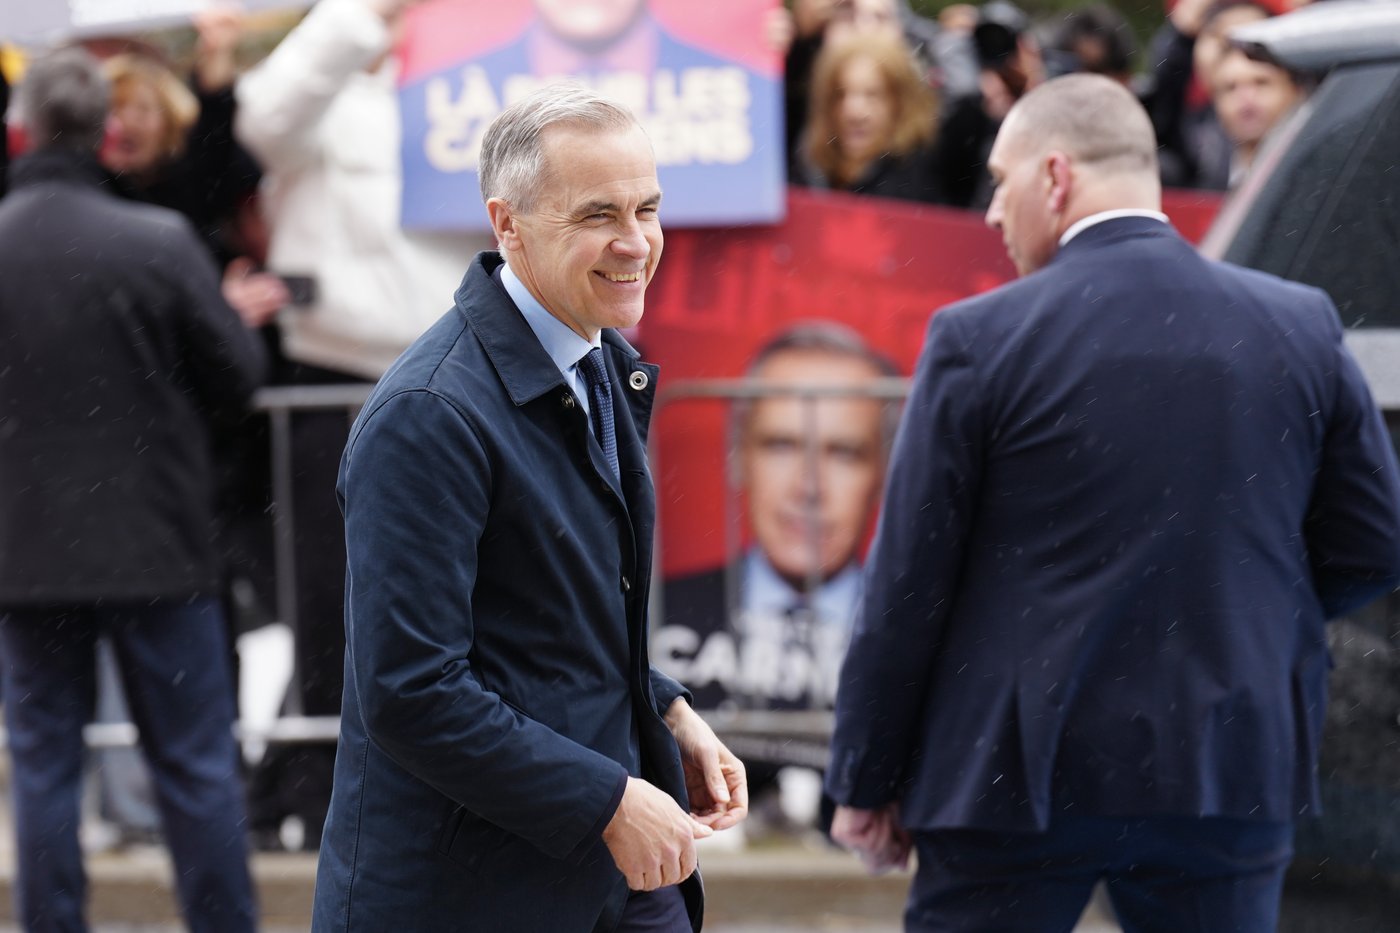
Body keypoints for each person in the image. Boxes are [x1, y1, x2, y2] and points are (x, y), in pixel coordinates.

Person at [825, 73, 1400, 933]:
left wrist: (865, 779)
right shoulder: (1298, 321)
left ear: (1055, 177)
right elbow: (1374, 542)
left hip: (1015, 769)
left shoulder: (980, 339)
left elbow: (909, 585)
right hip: (1227, 759)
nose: (990, 211)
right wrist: (1247, 612)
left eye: (1001, 180)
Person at [311, 83, 748, 932]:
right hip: (466, 893)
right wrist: (610, 800)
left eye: (648, 208)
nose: (636, 243)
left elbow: (551, 617)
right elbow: (411, 689)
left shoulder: (601, 361)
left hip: (605, 875)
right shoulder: (428, 413)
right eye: (598, 215)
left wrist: (666, 708)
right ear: (507, 224)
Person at [0, 48, 265, 932]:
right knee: (194, 766)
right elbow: (238, 372)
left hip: (25, 553)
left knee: (42, 767)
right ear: (104, 130)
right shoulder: (155, 243)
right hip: (159, 546)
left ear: (27, 126)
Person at [234, 0, 492, 848]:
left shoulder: (488, 87)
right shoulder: (329, 96)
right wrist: (357, 15)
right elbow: (266, 116)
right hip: (334, 376)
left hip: (454, 370)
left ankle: (448, 786)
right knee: (327, 593)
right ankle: (317, 788)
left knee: (459, 595)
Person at [659, 323, 899, 713]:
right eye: (782, 445)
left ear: (884, 471)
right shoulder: (653, 615)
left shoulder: (924, 641)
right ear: (739, 455)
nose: (808, 487)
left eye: (843, 452)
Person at [792, 31, 945, 204]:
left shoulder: (924, 179)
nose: (854, 112)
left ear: (899, 104)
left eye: (872, 95)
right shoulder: (805, 170)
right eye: (840, 94)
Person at [1210, 45, 1301, 189]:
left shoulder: (1314, 173)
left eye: (1261, 82)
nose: (1245, 99)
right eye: (1231, 87)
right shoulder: (1205, 177)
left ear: (1295, 90)